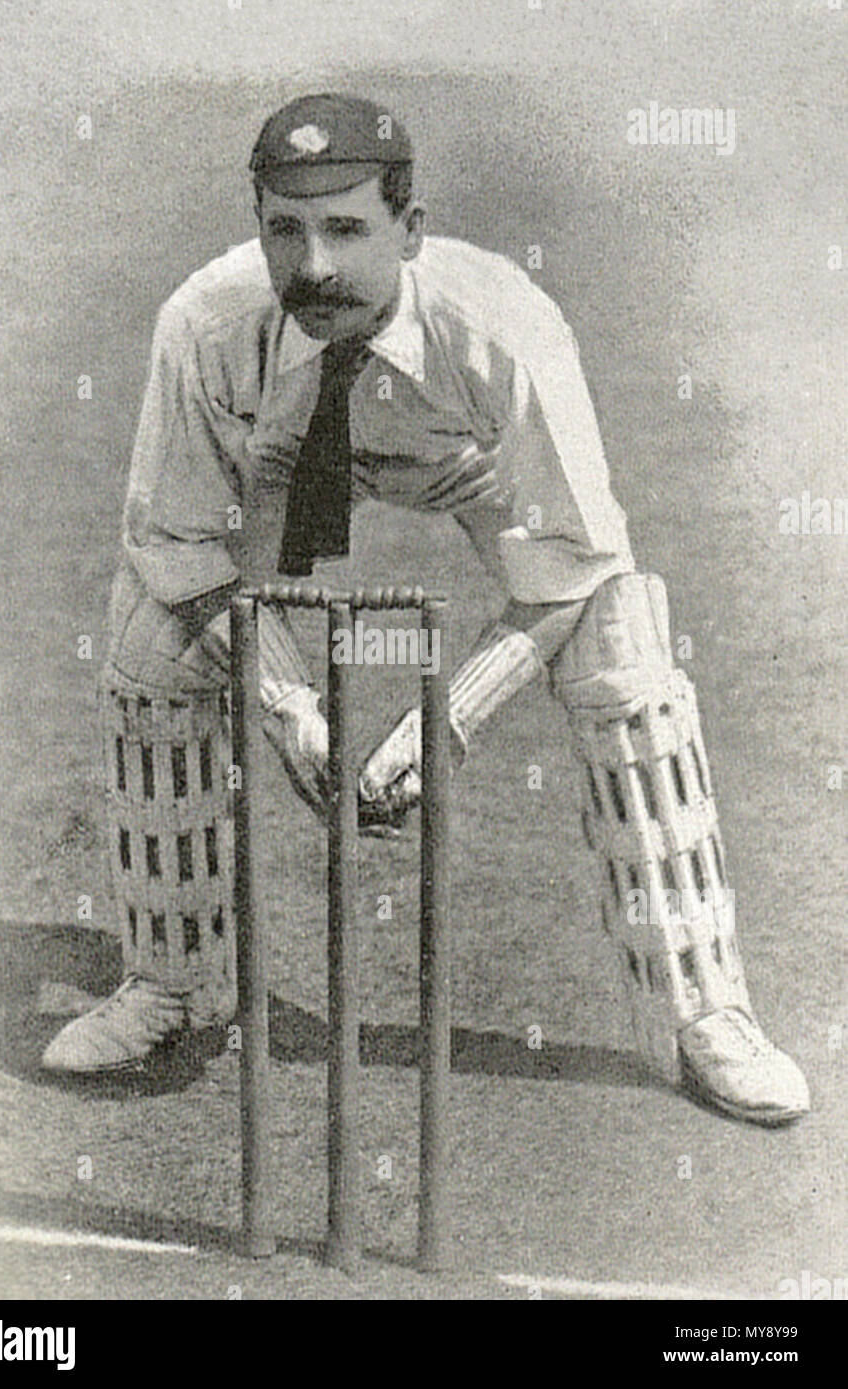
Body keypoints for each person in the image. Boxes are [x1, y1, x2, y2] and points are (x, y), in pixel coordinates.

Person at [43, 93, 809, 1125]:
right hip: (280, 462)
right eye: (285, 229)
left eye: (349, 229)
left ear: (412, 231)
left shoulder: (507, 332)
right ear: (259, 225)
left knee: (620, 626)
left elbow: (572, 559)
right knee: (149, 630)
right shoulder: (205, 324)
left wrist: (445, 721)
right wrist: (292, 709)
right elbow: (181, 542)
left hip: (463, 464)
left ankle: (701, 1010)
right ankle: (173, 985)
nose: (313, 265)